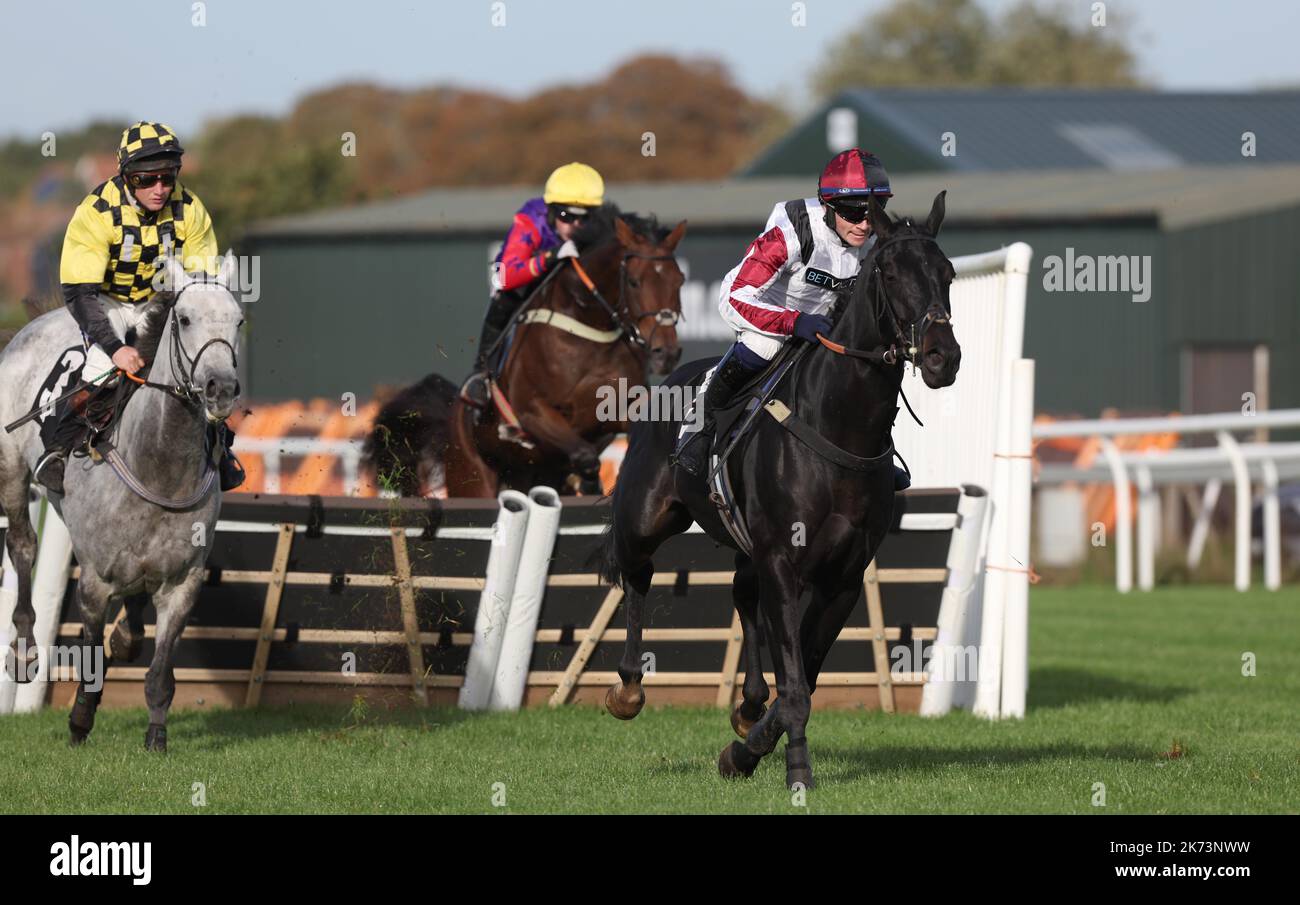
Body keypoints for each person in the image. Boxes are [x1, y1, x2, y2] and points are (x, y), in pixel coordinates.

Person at [672, 148, 910, 490]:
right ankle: (699, 426)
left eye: (873, 210)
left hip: (827, 323)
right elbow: (734, 296)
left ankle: (878, 450)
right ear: (827, 205)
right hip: (770, 316)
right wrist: (793, 322)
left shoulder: (873, 238)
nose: (864, 224)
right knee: (764, 346)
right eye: (851, 212)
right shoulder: (791, 233)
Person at [33, 121, 244, 494]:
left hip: (159, 302)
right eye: (146, 180)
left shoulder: (190, 209)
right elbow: (79, 294)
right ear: (127, 177)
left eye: (167, 177)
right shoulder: (97, 211)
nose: (159, 188)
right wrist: (116, 348)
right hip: (106, 301)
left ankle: (218, 446)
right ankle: (58, 449)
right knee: (102, 368)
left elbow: (202, 285)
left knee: (193, 365)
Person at [460, 162, 605, 408]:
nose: (575, 226)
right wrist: (550, 257)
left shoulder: (599, 228)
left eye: (584, 218)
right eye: (566, 216)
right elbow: (506, 276)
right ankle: (481, 374)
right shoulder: (531, 219)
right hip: (514, 274)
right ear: (551, 212)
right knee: (504, 296)